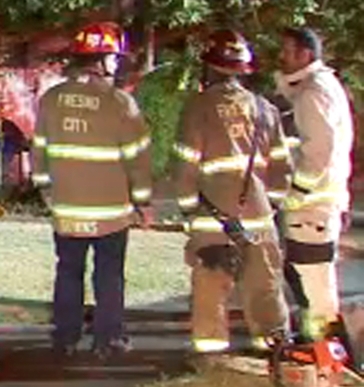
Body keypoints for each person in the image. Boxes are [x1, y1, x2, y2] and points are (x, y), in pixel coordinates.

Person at [30, 22, 153, 359]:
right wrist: (143, 202)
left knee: (68, 272)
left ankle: (65, 337)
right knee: (109, 275)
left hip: (67, 209)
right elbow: (138, 160)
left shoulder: (51, 100)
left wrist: (46, 192)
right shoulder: (119, 103)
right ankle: (109, 339)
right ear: (105, 60)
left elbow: (38, 151)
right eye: (114, 58)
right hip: (110, 212)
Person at [175, 29, 293, 355]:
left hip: (212, 218)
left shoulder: (198, 107)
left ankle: (211, 357)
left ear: (209, 68)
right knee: (265, 287)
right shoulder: (266, 110)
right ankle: (273, 349)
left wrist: (188, 212)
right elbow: (283, 168)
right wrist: (269, 207)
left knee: (211, 291)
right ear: (244, 71)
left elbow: (185, 167)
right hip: (258, 217)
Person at [275, 27, 354, 341]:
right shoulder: (323, 87)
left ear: (305, 54)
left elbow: (320, 149)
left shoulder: (312, 93)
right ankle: (319, 346)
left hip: (312, 208)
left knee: (313, 284)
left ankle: (322, 349)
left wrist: (298, 192)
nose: (281, 56)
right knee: (315, 282)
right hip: (322, 205)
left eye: (287, 50)